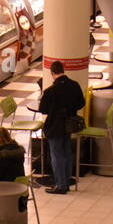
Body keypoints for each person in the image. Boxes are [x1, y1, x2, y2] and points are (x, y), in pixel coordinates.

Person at [39, 60, 85, 194]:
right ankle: (66, 180)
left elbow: (43, 109)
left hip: (54, 126)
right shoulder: (74, 85)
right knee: (67, 152)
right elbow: (81, 103)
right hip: (70, 125)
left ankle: (60, 185)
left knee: (56, 155)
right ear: (63, 70)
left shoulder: (50, 91)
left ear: (52, 73)